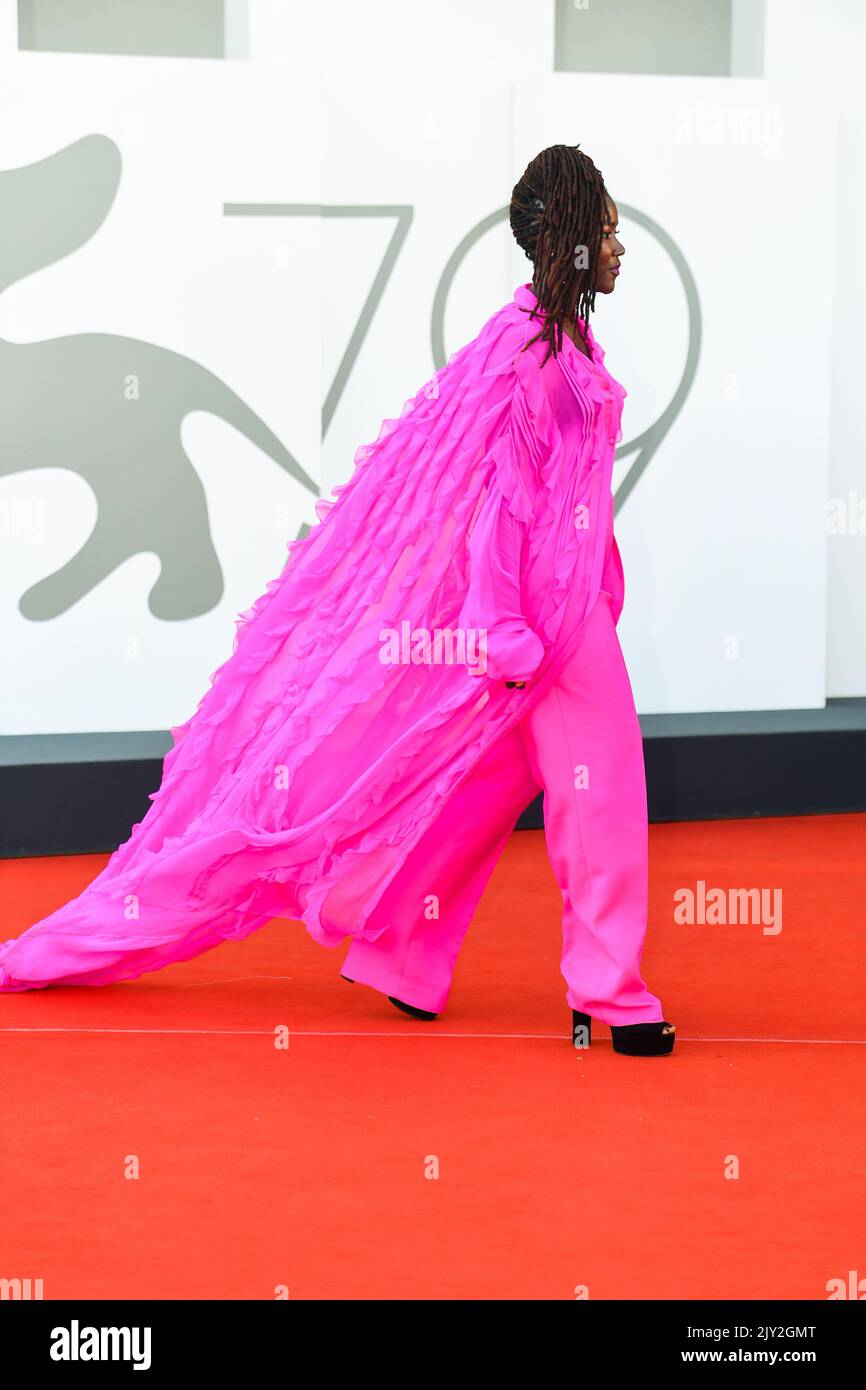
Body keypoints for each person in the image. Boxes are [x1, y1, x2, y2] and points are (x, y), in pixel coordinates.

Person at [0, 143, 674, 1057]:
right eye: (608, 227)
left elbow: (558, 495)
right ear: (574, 239)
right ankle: (610, 994)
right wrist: (504, 629)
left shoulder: (558, 339)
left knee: (479, 792)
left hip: (558, 608)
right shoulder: (530, 349)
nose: (620, 244)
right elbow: (498, 502)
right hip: (543, 628)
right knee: (603, 798)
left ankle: (401, 953)